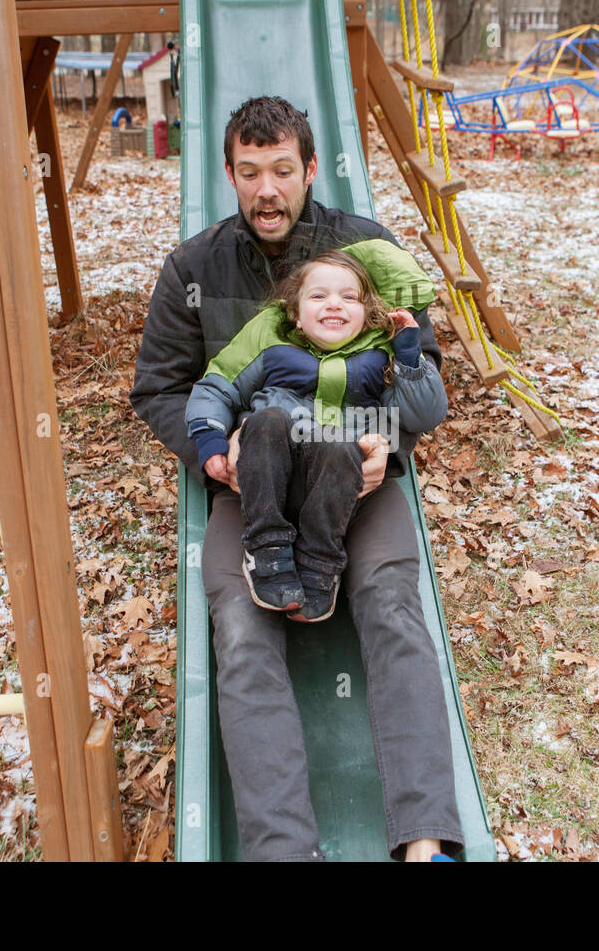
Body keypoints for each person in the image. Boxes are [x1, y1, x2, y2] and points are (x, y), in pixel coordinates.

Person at [131, 96, 463, 861]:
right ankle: (283, 850)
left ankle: (424, 842)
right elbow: (159, 390)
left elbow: (423, 367)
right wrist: (220, 454)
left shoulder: (368, 249)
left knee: (389, 598)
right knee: (242, 628)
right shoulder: (194, 267)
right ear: (230, 174)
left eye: (283, 170)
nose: (267, 191)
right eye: (250, 174)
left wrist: (386, 440)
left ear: (310, 168)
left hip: (358, 472)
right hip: (251, 489)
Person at [185, 243, 447, 623]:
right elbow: (216, 387)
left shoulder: (379, 357)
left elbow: (423, 415)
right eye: (319, 296)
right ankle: (266, 549)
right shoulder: (273, 345)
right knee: (267, 421)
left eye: (349, 297)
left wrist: (407, 357)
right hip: (269, 478)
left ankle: (319, 562)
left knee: (339, 443)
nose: (334, 304)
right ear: (294, 314)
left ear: (368, 313)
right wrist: (210, 439)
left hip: (339, 490)